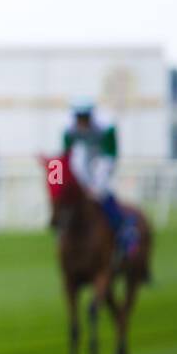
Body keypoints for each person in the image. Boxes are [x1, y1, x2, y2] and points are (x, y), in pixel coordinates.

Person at [62, 97, 138, 259]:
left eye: (85, 117)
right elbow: (63, 159)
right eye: (79, 117)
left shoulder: (106, 126)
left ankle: (124, 228)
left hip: (103, 159)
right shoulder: (68, 129)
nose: (82, 122)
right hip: (84, 157)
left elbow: (110, 157)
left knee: (100, 193)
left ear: (91, 116)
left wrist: (97, 186)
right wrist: (58, 183)